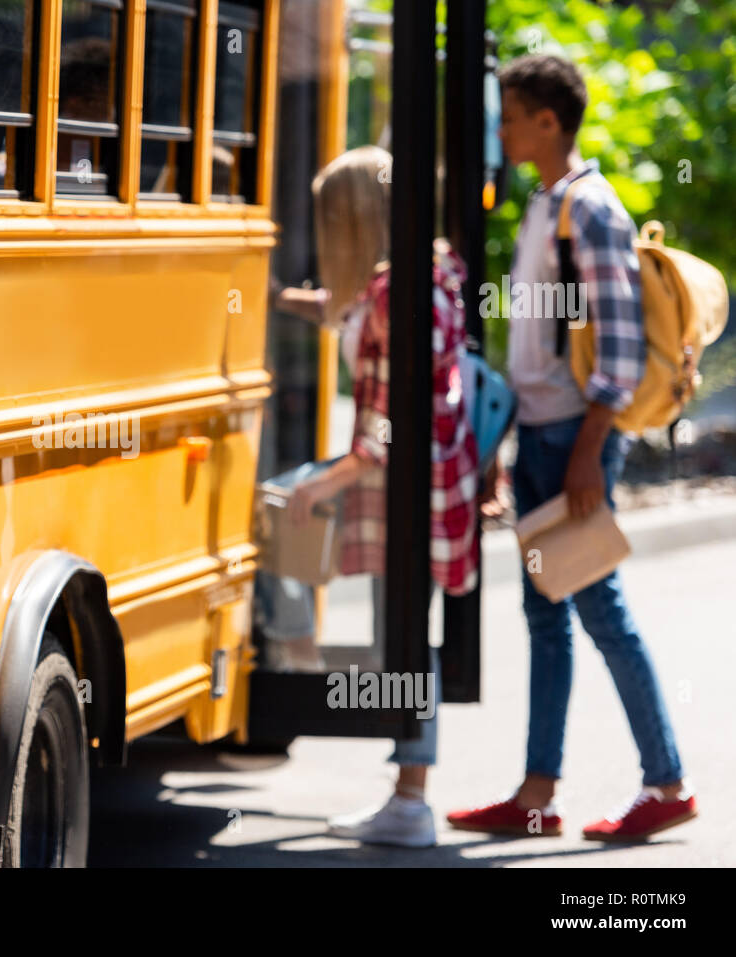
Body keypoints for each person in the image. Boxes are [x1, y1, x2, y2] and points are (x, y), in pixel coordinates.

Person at [447, 54, 696, 842]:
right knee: (549, 615)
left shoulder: (588, 210)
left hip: (573, 442)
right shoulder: (544, 205)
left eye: (513, 115)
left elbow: (618, 347)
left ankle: (667, 782)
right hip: (546, 434)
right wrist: (503, 440)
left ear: (549, 122)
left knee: (599, 610)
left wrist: (589, 448)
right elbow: (537, 345)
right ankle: (536, 796)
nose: (505, 129)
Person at [269, 145, 480, 847]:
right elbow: (341, 307)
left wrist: (333, 476)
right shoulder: (412, 275)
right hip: (411, 478)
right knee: (403, 632)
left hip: (400, 483)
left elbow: (395, 420)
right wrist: (276, 297)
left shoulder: (396, 296)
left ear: (353, 221)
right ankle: (300, 669)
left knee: (403, 636)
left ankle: (409, 794)